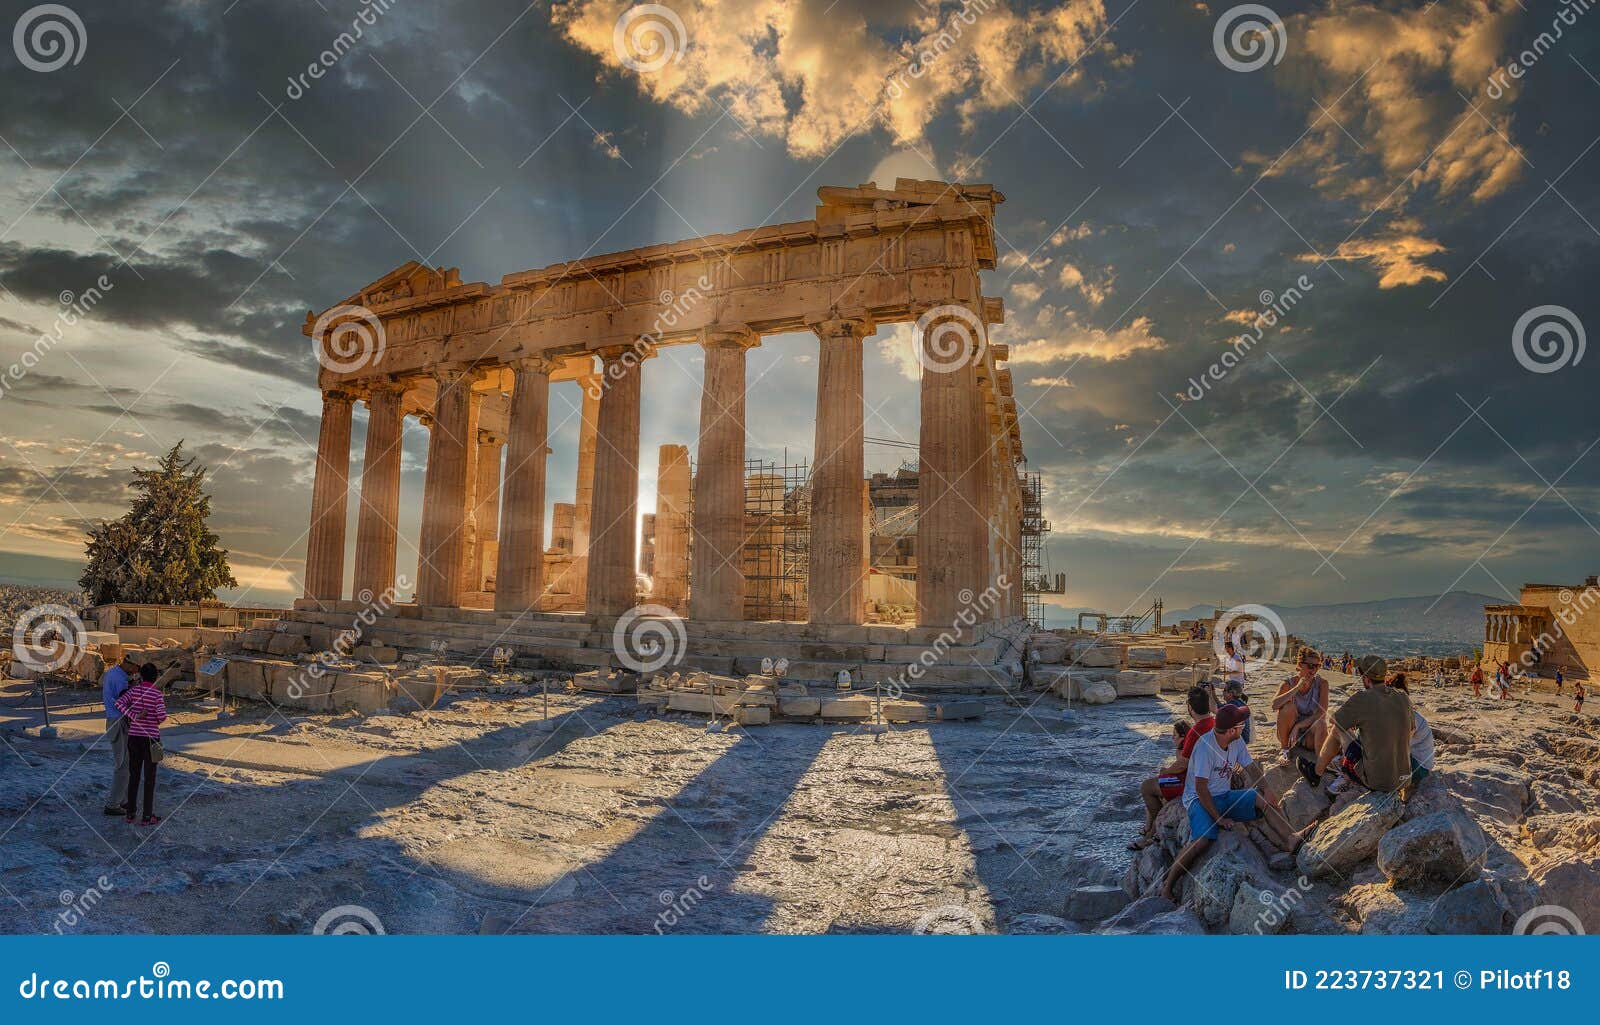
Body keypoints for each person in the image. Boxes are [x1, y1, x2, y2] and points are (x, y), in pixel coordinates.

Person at [1159, 704, 1305, 901]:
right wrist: (1218, 819)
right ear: (1230, 730)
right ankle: (1168, 885)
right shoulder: (1205, 747)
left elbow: (1251, 768)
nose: (1244, 727)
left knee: (1260, 799)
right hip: (1198, 799)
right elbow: (1200, 788)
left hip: (1224, 794)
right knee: (1203, 840)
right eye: (1241, 725)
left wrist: (1267, 789)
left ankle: (1291, 839)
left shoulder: (1236, 742)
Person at [1301, 655, 1412, 796]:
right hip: (1404, 778)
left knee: (1337, 729)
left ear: (1366, 678)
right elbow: (1411, 729)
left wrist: (1354, 721)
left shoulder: (1362, 698)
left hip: (1377, 782)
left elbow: (1334, 720)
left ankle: (1316, 773)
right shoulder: (1402, 697)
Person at [1128, 706, 1202, 851]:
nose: (1172, 738)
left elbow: (1181, 767)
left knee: (1147, 787)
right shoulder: (1189, 745)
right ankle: (1150, 828)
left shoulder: (1182, 750)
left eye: (1175, 735)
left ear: (1182, 737)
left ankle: (1151, 832)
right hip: (1189, 781)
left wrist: (1165, 773)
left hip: (1186, 784)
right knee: (1157, 790)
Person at [115, 663, 167, 826]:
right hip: (151, 739)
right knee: (150, 778)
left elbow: (119, 703)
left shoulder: (134, 691)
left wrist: (134, 716)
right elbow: (161, 716)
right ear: (155, 677)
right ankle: (147, 816)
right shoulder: (157, 694)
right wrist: (153, 719)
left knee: (134, 775)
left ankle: (130, 813)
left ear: (141, 676)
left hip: (134, 737)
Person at [1271, 647, 1328, 759]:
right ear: (1300, 664)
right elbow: (1274, 705)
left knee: (1321, 723)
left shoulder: (1322, 684)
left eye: (1317, 666)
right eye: (1310, 666)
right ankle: (1284, 750)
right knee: (1287, 707)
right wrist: (1297, 688)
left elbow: (1322, 713)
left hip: (1308, 732)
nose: (1314, 670)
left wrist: (1298, 726)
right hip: (1287, 733)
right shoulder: (1289, 683)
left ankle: (1321, 762)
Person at [99, 654, 137, 817]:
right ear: (130, 664)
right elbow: (125, 701)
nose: (136, 672)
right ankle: (113, 804)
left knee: (126, 763)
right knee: (123, 765)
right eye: (136, 668)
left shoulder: (113, 672)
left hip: (114, 719)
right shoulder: (121, 680)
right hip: (119, 721)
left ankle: (122, 799)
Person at [1220, 679, 1252, 744]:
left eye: (1225, 690)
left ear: (1230, 694)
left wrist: (1208, 694)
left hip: (1239, 740)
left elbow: (1215, 709)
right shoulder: (1239, 702)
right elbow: (1219, 706)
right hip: (1243, 739)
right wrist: (1213, 694)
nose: (1222, 692)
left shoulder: (1233, 704)